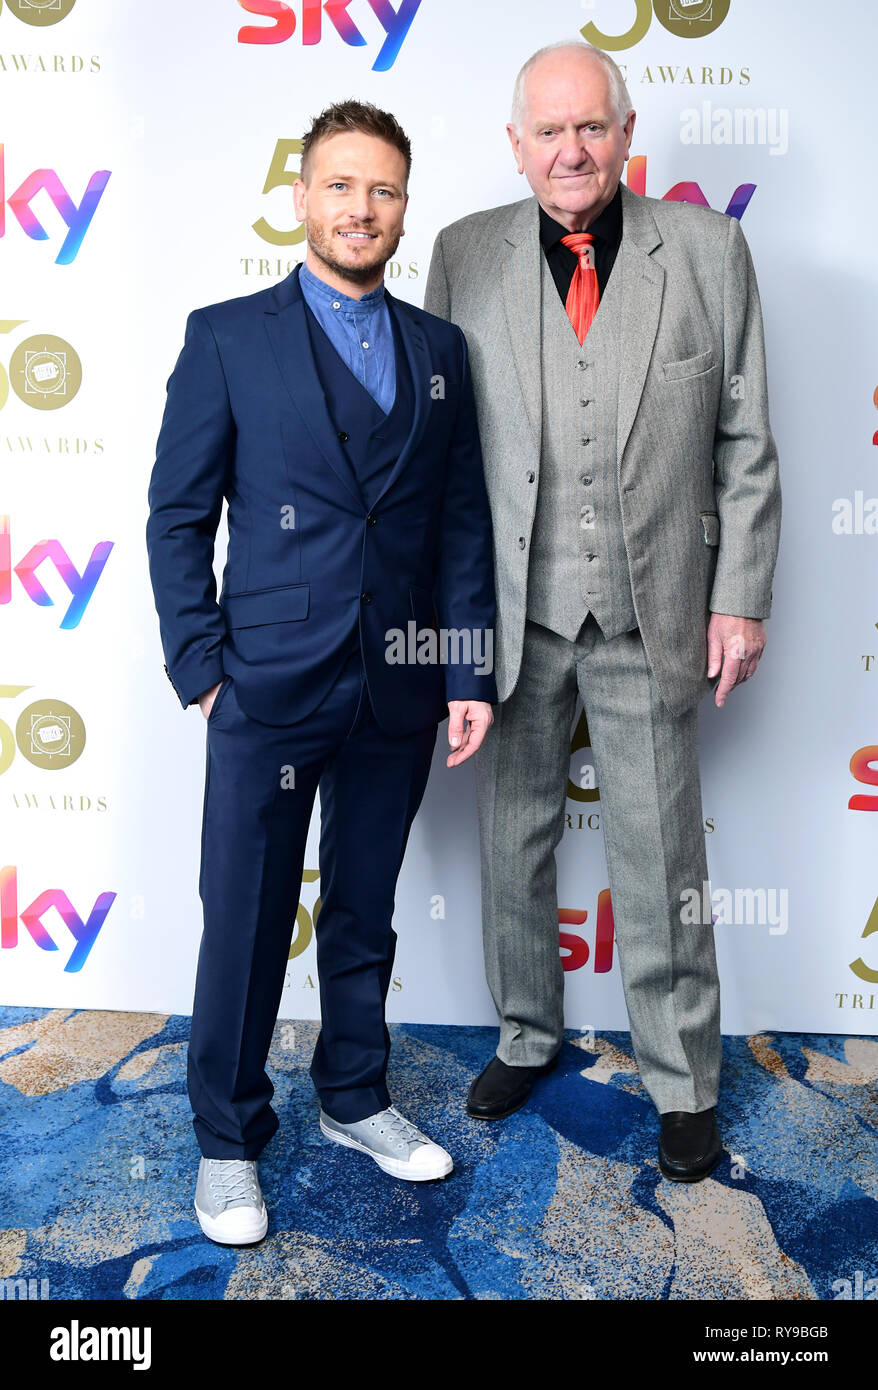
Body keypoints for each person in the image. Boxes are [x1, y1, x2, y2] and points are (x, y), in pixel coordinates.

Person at [425, 41, 781, 1181]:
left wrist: (738, 598)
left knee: (661, 853)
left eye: (591, 127)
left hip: (647, 610)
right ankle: (524, 1034)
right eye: (548, 131)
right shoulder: (461, 253)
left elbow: (742, 441)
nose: (569, 150)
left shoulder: (711, 252)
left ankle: (683, 1083)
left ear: (625, 135)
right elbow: (433, 459)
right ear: (516, 145)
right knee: (512, 838)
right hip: (513, 614)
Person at [146, 100, 496, 1244]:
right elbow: (177, 513)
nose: (361, 208)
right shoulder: (226, 336)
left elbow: (457, 523)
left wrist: (462, 668)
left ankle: (353, 1095)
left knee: (361, 907)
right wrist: (202, 666)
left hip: (395, 683)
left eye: (383, 190)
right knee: (243, 917)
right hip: (263, 685)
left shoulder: (440, 354)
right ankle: (226, 1137)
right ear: (299, 198)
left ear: (405, 206)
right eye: (340, 186)